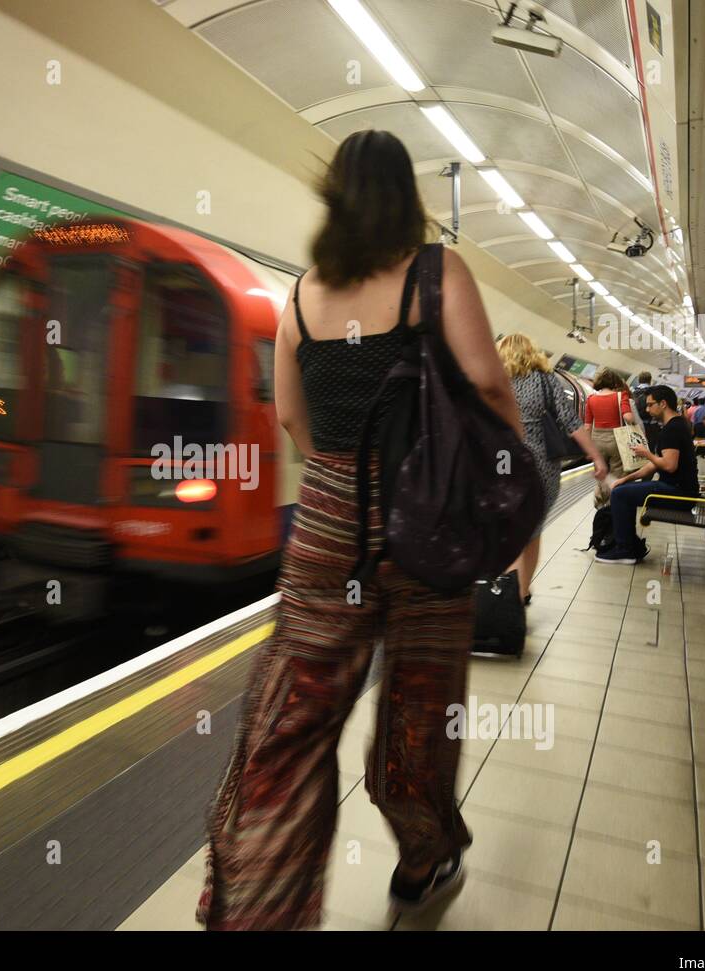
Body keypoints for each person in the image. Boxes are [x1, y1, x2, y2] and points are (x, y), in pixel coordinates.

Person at [197, 129, 524, 930]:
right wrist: (502, 484)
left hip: (327, 523)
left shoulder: (303, 295)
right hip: (430, 520)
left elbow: (289, 419)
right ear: (406, 196)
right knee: (420, 709)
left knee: (290, 723)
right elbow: (486, 381)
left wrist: (341, 474)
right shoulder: (435, 274)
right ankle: (422, 862)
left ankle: (257, 906)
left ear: (334, 198)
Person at [497, 333, 608, 601]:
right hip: (542, 465)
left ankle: (507, 590)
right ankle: (522, 591)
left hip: (503, 460)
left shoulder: (496, 380)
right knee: (532, 530)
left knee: (507, 527)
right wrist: (596, 456)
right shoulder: (546, 380)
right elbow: (570, 422)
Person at [596, 385, 699, 565]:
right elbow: (654, 465)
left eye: (651, 405)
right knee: (622, 489)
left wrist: (646, 453)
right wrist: (625, 479)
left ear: (663, 404)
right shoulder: (677, 424)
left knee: (620, 495)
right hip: (681, 489)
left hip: (679, 493)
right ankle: (630, 545)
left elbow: (669, 465)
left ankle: (625, 549)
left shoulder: (672, 429)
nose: (647, 409)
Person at [582, 368, 639, 508]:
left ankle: (601, 502)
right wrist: (633, 422)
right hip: (616, 440)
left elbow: (587, 427)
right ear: (615, 382)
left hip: (597, 440)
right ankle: (613, 505)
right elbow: (628, 417)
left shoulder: (591, 399)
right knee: (618, 475)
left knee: (602, 473)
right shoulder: (621, 396)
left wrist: (588, 449)